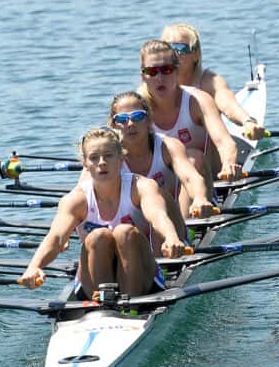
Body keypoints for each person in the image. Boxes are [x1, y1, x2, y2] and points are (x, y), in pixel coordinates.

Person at [18, 127, 187, 297]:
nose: (102, 162)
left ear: (121, 158)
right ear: (85, 164)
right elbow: (56, 238)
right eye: (94, 158)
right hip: (93, 280)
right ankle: (103, 304)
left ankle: (131, 307)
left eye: (108, 155)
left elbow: (158, 215)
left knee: (124, 231)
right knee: (99, 236)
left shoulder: (142, 186)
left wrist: (171, 237)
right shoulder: (75, 200)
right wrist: (34, 267)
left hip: (141, 274)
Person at [136, 40, 243, 186]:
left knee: (192, 158)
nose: (159, 78)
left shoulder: (198, 101)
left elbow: (224, 141)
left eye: (166, 70)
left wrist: (229, 163)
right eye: (152, 72)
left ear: (177, 70)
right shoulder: (135, 111)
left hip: (206, 180)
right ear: (143, 76)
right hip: (159, 188)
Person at [105, 91, 216, 233]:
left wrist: (200, 198)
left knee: (191, 162)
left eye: (138, 116)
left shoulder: (168, 146)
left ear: (149, 120)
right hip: (131, 232)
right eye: (122, 119)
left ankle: (187, 234)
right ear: (113, 125)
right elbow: (80, 193)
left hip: (172, 222)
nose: (130, 124)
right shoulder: (104, 157)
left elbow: (190, 177)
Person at [160, 22, 265, 141]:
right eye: (168, 48)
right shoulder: (153, 83)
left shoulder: (210, 82)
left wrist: (247, 121)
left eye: (181, 49)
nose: (173, 55)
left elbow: (227, 104)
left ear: (196, 54)